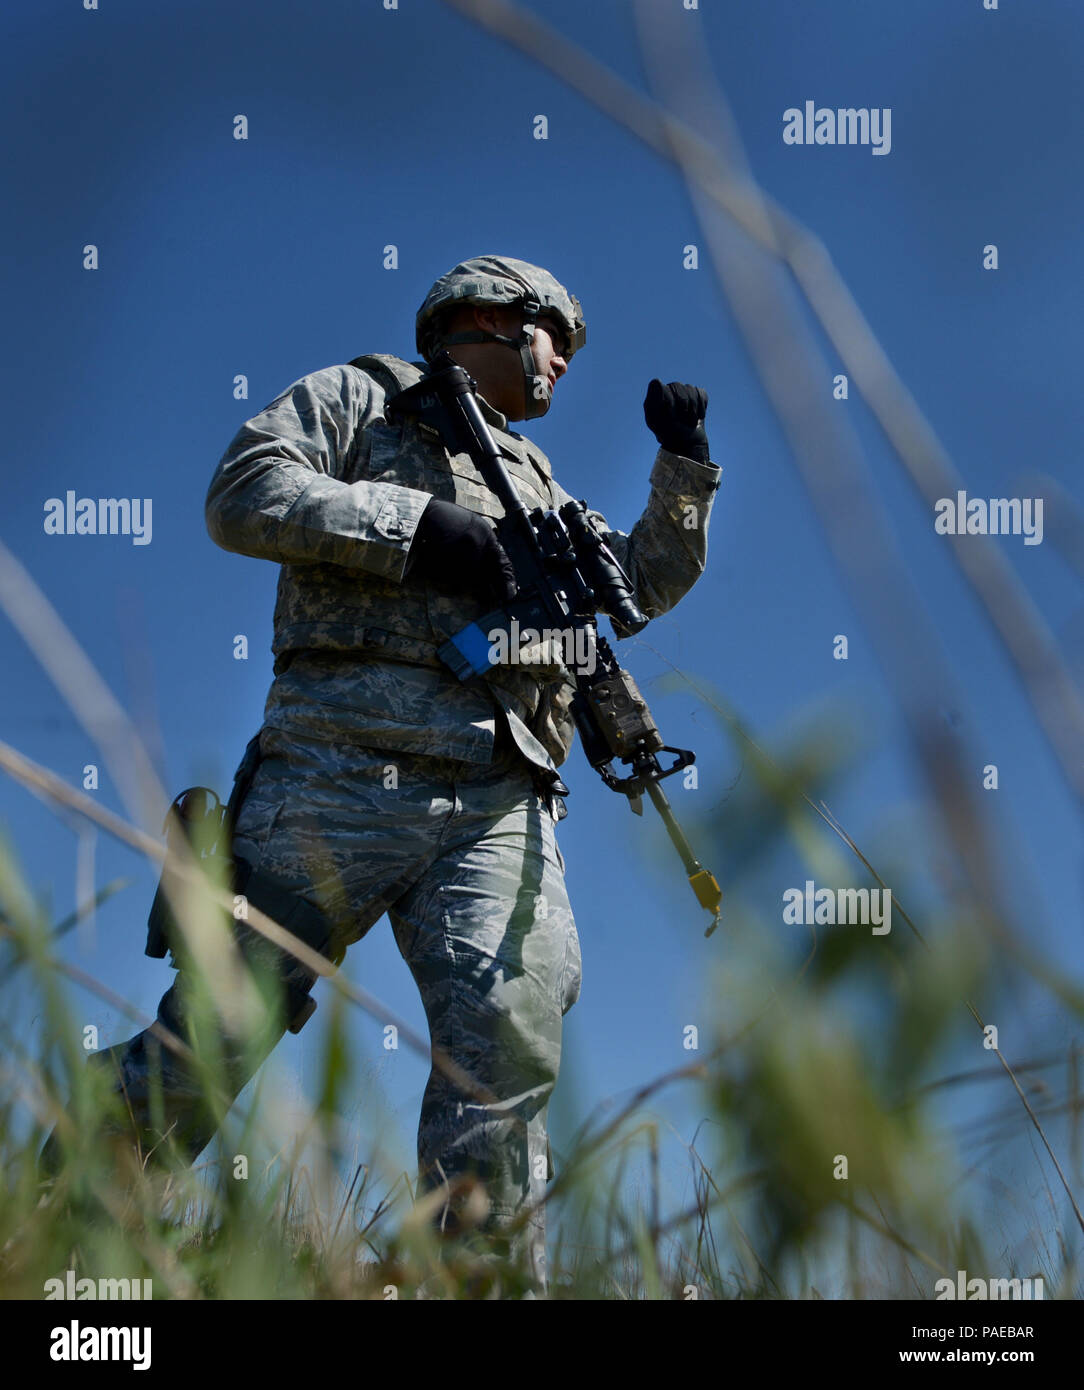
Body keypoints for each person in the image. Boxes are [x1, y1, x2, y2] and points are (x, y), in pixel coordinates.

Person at [42, 255, 722, 1294]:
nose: (563, 364)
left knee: (510, 1042)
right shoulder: (364, 397)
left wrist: (683, 471)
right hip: (338, 765)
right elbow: (244, 492)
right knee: (225, 1027)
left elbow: (637, 589)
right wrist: (417, 531)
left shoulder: (542, 484)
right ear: (490, 319)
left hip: (501, 799)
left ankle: (476, 1274)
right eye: (554, 338)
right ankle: (58, 1218)